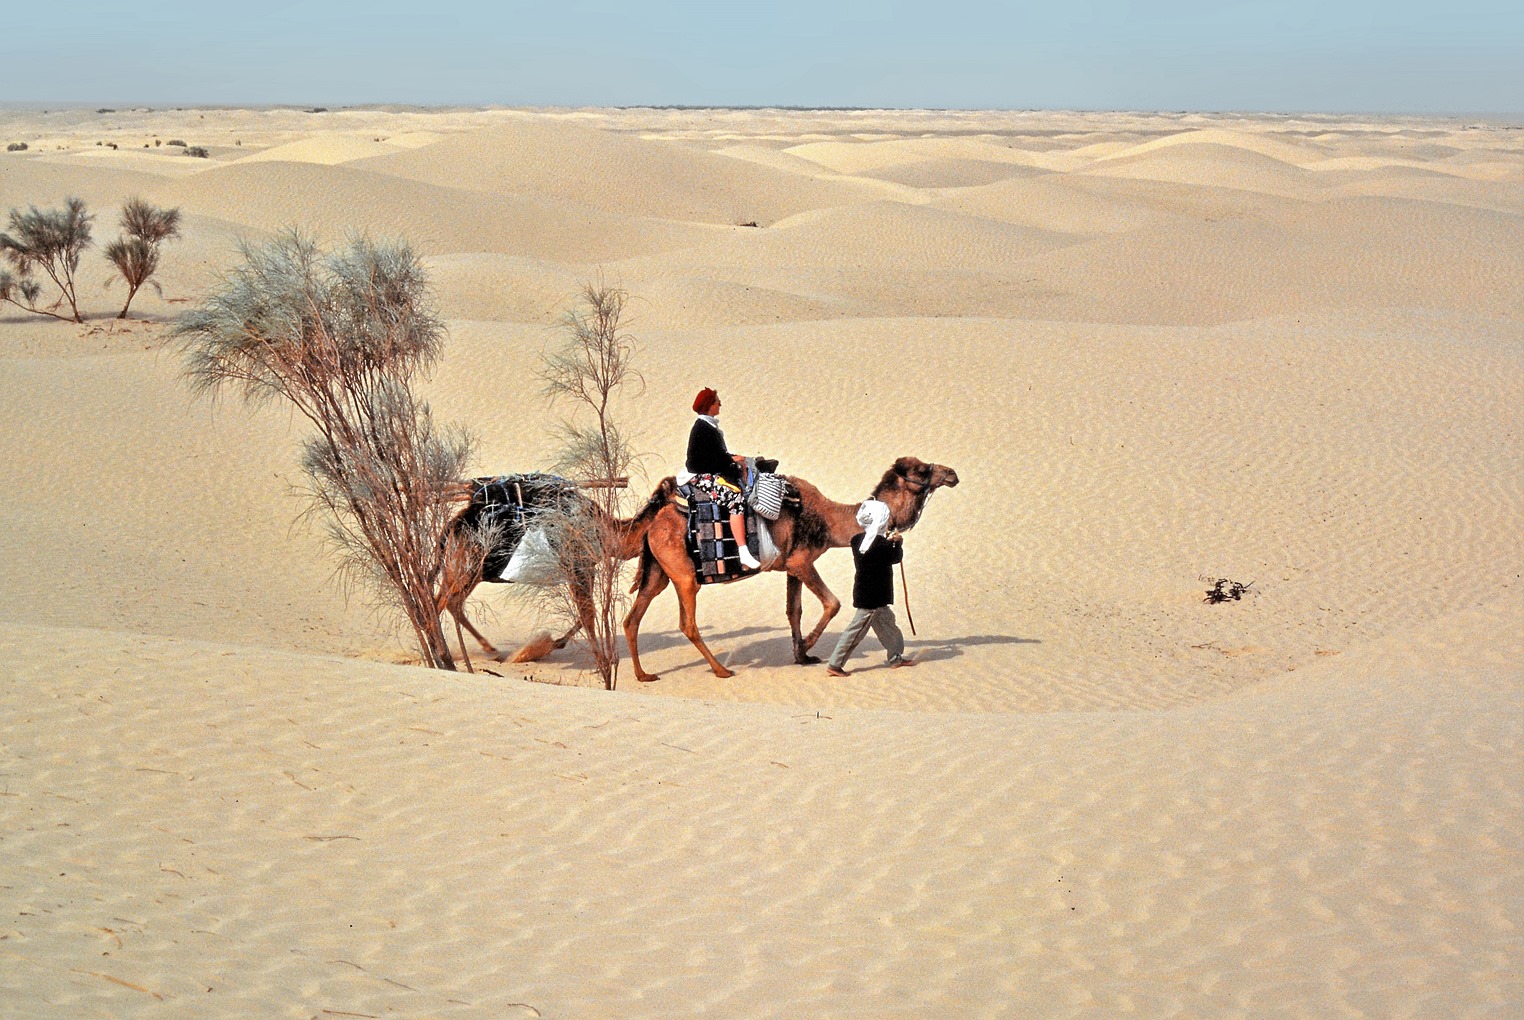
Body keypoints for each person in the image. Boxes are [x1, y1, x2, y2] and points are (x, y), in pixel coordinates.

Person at [825, 524, 917, 676]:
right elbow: (895, 557)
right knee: (855, 632)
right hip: (871, 599)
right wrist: (897, 543)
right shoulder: (880, 544)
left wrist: (891, 542)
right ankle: (835, 664)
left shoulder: (858, 540)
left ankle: (896, 657)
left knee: (889, 626)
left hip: (873, 597)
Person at [685, 387, 762, 571]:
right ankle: (743, 552)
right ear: (709, 405)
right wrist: (729, 461)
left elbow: (716, 455)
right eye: (717, 401)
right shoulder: (703, 428)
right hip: (701, 476)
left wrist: (732, 458)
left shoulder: (709, 426)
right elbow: (700, 462)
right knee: (735, 499)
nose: (720, 404)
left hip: (709, 472)